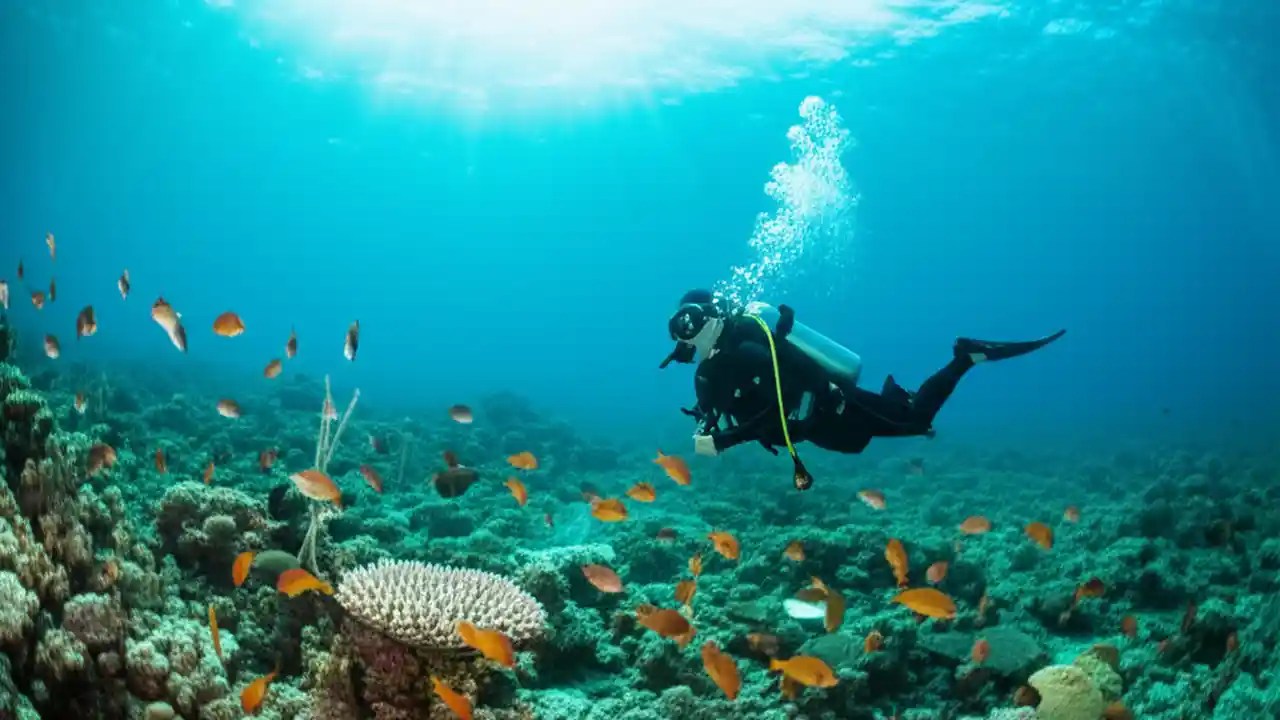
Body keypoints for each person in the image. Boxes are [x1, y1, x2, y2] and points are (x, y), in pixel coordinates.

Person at [659, 289, 1064, 489]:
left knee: (916, 422)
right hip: (822, 429)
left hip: (835, 408)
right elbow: (721, 412)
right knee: (896, 419)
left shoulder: (747, 346)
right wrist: (706, 428)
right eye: (679, 326)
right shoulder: (709, 375)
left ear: (711, 313)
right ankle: (896, 395)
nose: (686, 331)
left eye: (690, 320)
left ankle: (965, 357)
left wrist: (727, 440)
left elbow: (782, 400)